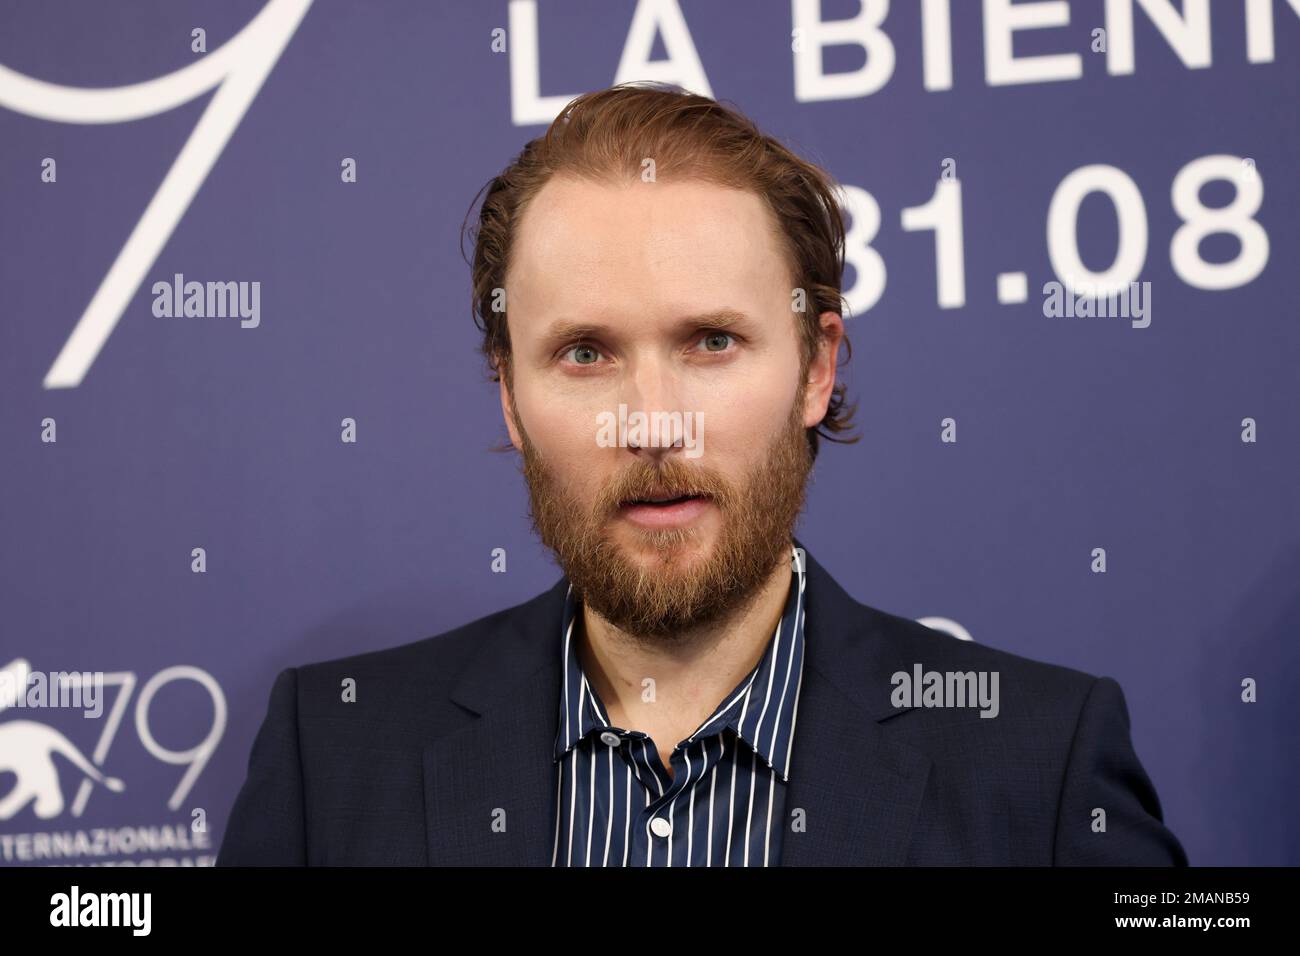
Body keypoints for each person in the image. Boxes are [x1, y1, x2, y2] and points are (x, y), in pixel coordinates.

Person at [217, 82, 1186, 867]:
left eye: (712, 340)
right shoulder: (332, 755)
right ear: (509, 398)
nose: (651, 420)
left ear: (815, 368)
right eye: (585, 353)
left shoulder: (1037, 764)